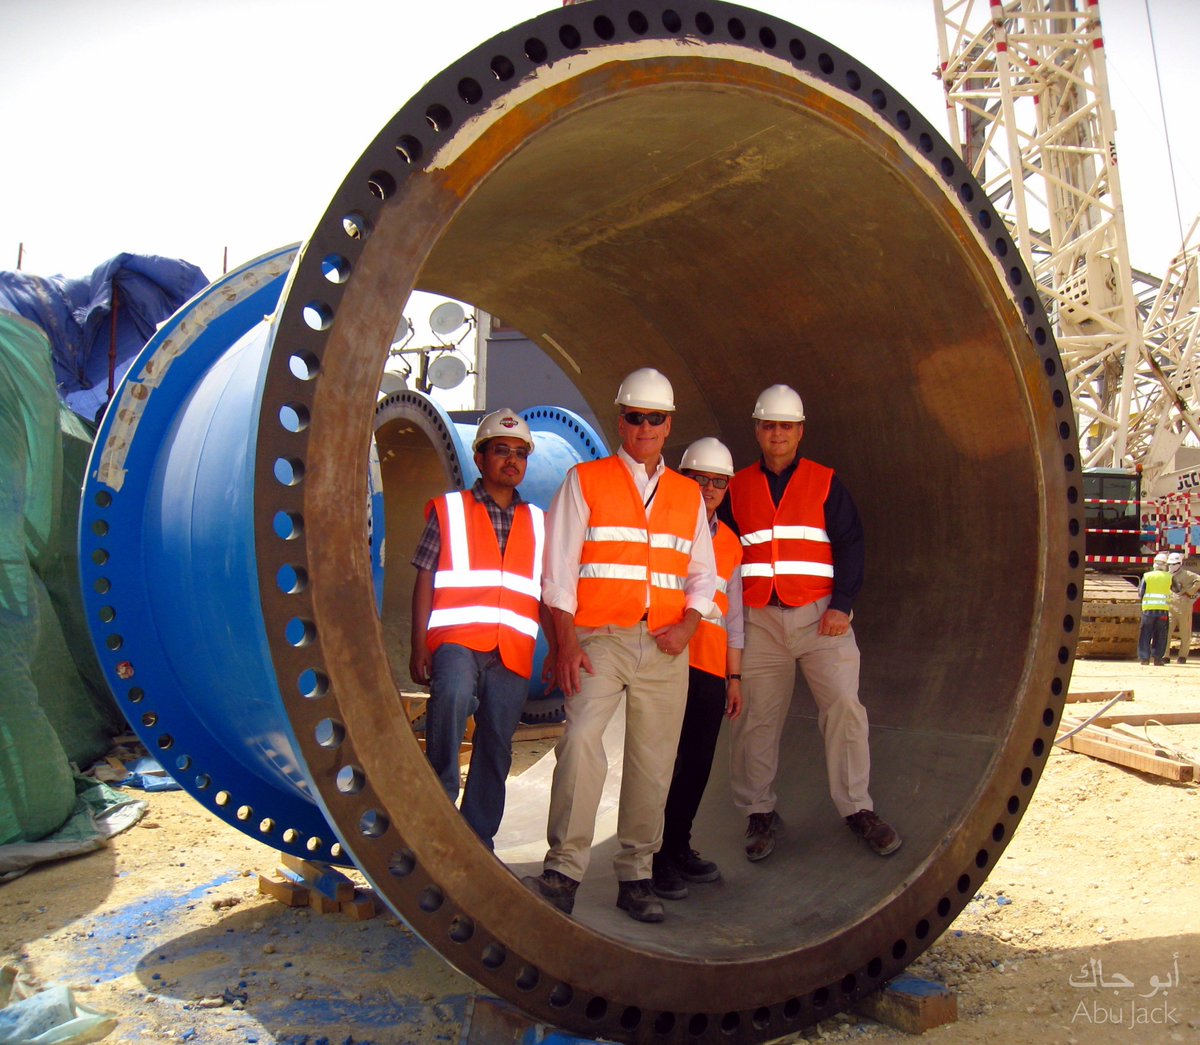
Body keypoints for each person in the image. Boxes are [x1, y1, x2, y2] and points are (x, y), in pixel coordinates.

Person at [523, 368, 717, 923]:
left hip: (666, 645)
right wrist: (564, 645)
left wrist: (688, 627)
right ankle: (563, 871)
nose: (646, 427)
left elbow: (703, 575)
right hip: (600, 639)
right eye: (636, 417)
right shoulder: (586, 480)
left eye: (656, 418)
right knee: (582, 739)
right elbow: (556, 572)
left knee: (654, 765)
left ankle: (636, 876)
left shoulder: (685, 494)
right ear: (621, 420)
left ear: (669, 424)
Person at [719, 384, 901, 861]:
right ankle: (758, 812)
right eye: (768, 425)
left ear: (800, 432)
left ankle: (857, 808)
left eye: (786, 426)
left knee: (844, 707)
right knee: (755, 718)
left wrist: (843, 604)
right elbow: (721, 555)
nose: (777, 434)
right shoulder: (735, 488)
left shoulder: (824, 482)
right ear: (757, 430)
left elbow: (851, 543)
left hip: (822, 619)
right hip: (760, 622)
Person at [409, 409, 545, 849]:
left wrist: (562, 651)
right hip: (457, 641)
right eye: (501, 450)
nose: (511, 460)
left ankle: (476, 839)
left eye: (520, 453)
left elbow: (551, 592)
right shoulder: (450, 511)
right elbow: (425, 575)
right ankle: (439, 810)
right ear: (481, 458)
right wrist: (418, 645)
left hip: (512, 652)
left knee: (498, 745)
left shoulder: (540, 524)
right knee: (449, 699)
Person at [652, 438, 745, 901]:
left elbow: (734, 616)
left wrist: (735, 676)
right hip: (665, 660)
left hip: (709, 666)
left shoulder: (730, 543)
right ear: (683, 479)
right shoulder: (661, 524)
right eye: (699, 479)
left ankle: (678, 846)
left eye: (717, 482)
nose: (708, 488)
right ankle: (652, 858)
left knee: (696, 765)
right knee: (659, 764)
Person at [1137, 551, 1172, 667]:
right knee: (1161, 635)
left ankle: (1144, 659)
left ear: (1154, 564)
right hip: (1162, 612)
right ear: (1165, 565)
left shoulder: (1147, 576)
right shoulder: (1169, 577)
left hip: (1148, 611)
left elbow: (1141, 593)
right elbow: (1177, 588)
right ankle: (1157, 659)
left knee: (1145, 634)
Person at [1166, 551, 1199, 664]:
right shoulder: (1167, 575)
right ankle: (1165, 655)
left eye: (1174, 564)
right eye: (1170, 564)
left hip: (1184, 607)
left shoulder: (1187, 574)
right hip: (1170, 606)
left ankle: (1183, 656)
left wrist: (1189, 592)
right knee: (1167, 632)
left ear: (1179, 564)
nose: (1172, 566)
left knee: (1185, 633)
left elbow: (1198, 580)